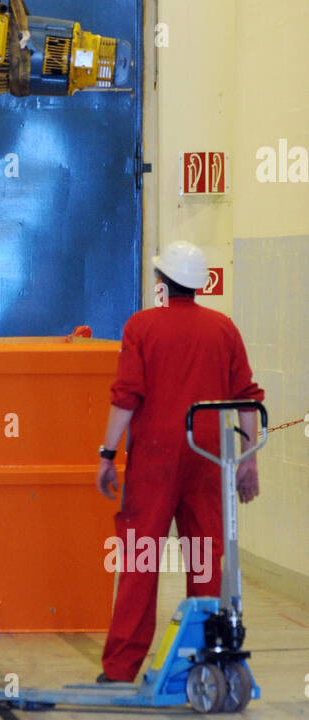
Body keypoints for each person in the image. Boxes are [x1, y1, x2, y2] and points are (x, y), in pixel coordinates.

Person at [95, 241, 264, 683]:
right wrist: (248, 461)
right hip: (208, 456)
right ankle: (205, 660)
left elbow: (126, 397)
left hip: (155, 458)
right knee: (205, 558)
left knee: (140, 559)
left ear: (161, 283)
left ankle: (120, 667)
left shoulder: (141, 326)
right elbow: (248, 397)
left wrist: (108, 454)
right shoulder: (222, 328)